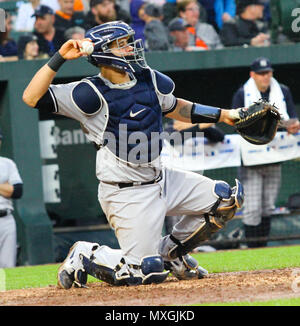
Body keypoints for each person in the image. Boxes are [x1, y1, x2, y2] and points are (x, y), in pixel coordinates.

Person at [22, 21, 244, 288]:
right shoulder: (88, 93)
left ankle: (170, 255)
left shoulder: (148, 78)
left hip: (162, 178)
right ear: (104, 53)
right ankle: (85, 254)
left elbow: (175, 107)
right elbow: (31, 98)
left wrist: (226, 115)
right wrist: (59, 58)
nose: (130, 47)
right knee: (141, 273)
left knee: (225, 200)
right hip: (126, 193)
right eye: (121, 44)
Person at [231, 57, 300, 248]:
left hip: (274, 157)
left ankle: (262, 247)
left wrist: (291, 125)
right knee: (252, 208)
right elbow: (236, 122)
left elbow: (292, 117)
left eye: (268, 72)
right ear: (252, 75)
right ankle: (252, 247)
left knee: (268, 206)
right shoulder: (242, 93)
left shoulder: (282, 90)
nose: (265, 76)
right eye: (261, 73)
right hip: (251, 159)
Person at [0, 128, 23, 268]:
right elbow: (9, 190)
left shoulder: (7, 164)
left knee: (8, 267)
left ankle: (6, 291)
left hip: (6, 219)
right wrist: (4, 186)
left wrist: (10, 189)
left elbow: (17, 191)